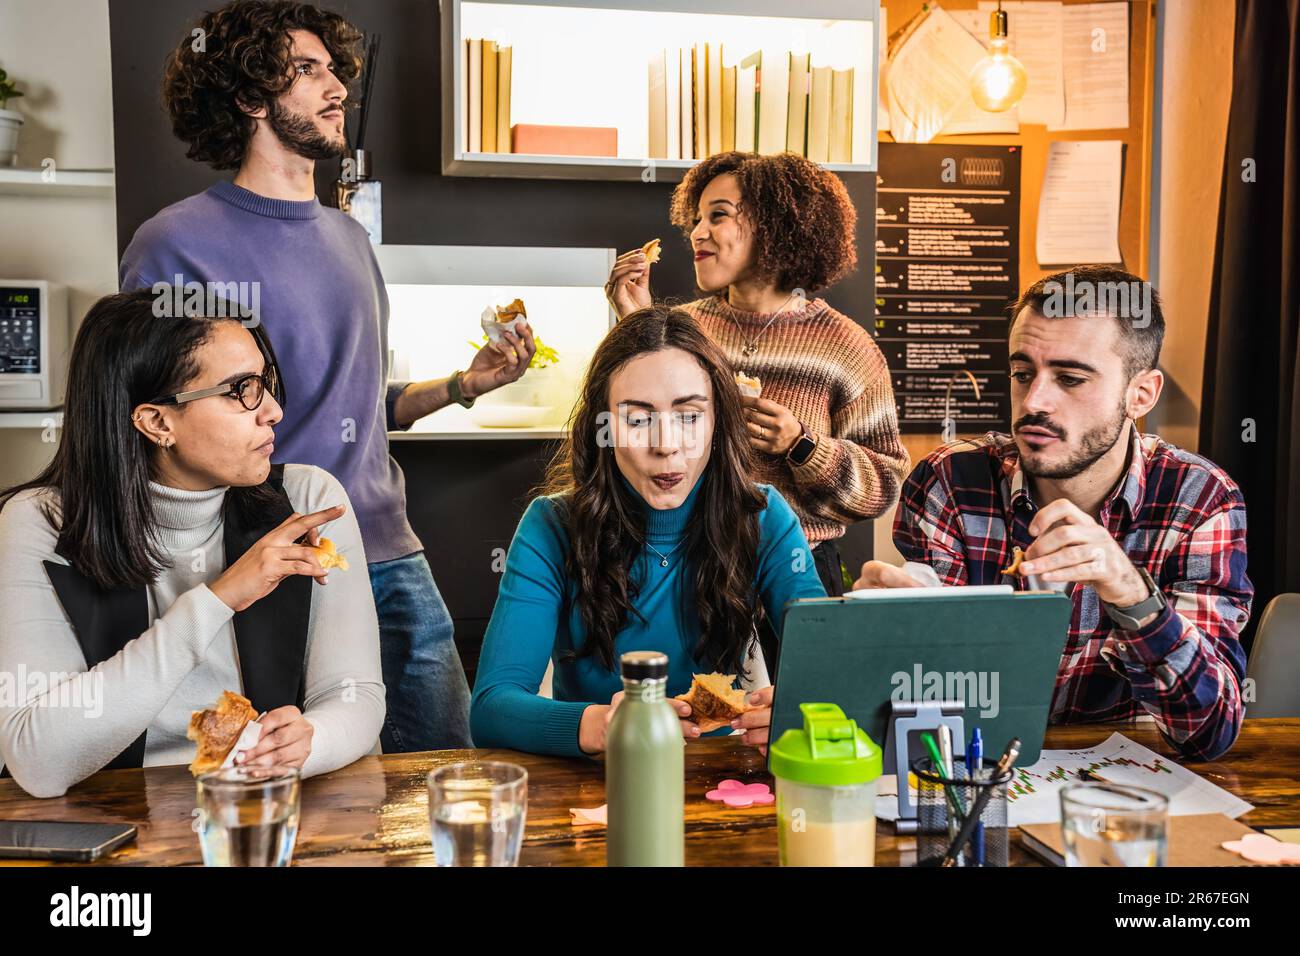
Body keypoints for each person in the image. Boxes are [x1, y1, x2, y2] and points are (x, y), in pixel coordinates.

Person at [118, 1, 535, 752]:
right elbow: (151, 417)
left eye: (335, 68)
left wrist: (465, 385)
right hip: (267, 561)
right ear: (249, 97)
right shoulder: (176, 243)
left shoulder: (348, 237)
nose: (337, 85)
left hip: (389, 549)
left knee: (452, 771)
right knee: (298, 781)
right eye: (306, 70)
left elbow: (367, 408)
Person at [853, 266, 1251, 760]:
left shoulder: (1199, 498)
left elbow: (1209, 732)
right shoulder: (950, 482)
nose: (1034, 401)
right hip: (971, 769)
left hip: (1117, 791)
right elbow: (919, 698)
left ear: (1141, 393)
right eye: (1023, 374)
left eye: (1070, 378)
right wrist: (874, 641)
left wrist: (1130, 592)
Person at [0, 289, 385, 798]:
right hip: (112, 821)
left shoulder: (306, 499)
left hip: (268, 809)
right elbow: (40, 762)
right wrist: (219, 598)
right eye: (239, 390)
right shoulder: (41, 523)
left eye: (264, 382)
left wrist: (309, 745)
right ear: (157, 422)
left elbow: (353, 694)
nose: (271, 411)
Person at [470, 306, 827, 758]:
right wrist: (602, 725)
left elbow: (827, 672)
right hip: (596, 784)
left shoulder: (763, 516)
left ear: (719, 421)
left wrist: (806, 708)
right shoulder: (551, 527)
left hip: (723, 778)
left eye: (690, 416)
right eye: (637, 419)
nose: (666, 444)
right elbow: (491, 708)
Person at [605, 151, 909, 603]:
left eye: (719, 216)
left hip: (794, 570)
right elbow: (629, 438)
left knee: (797, 679)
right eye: (697, 218)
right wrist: (637, 328)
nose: (697, 233)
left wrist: (803, 447)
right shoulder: (681, 329)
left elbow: (883, 487)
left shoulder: (846, 346)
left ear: (775, 226)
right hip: (684, 566)